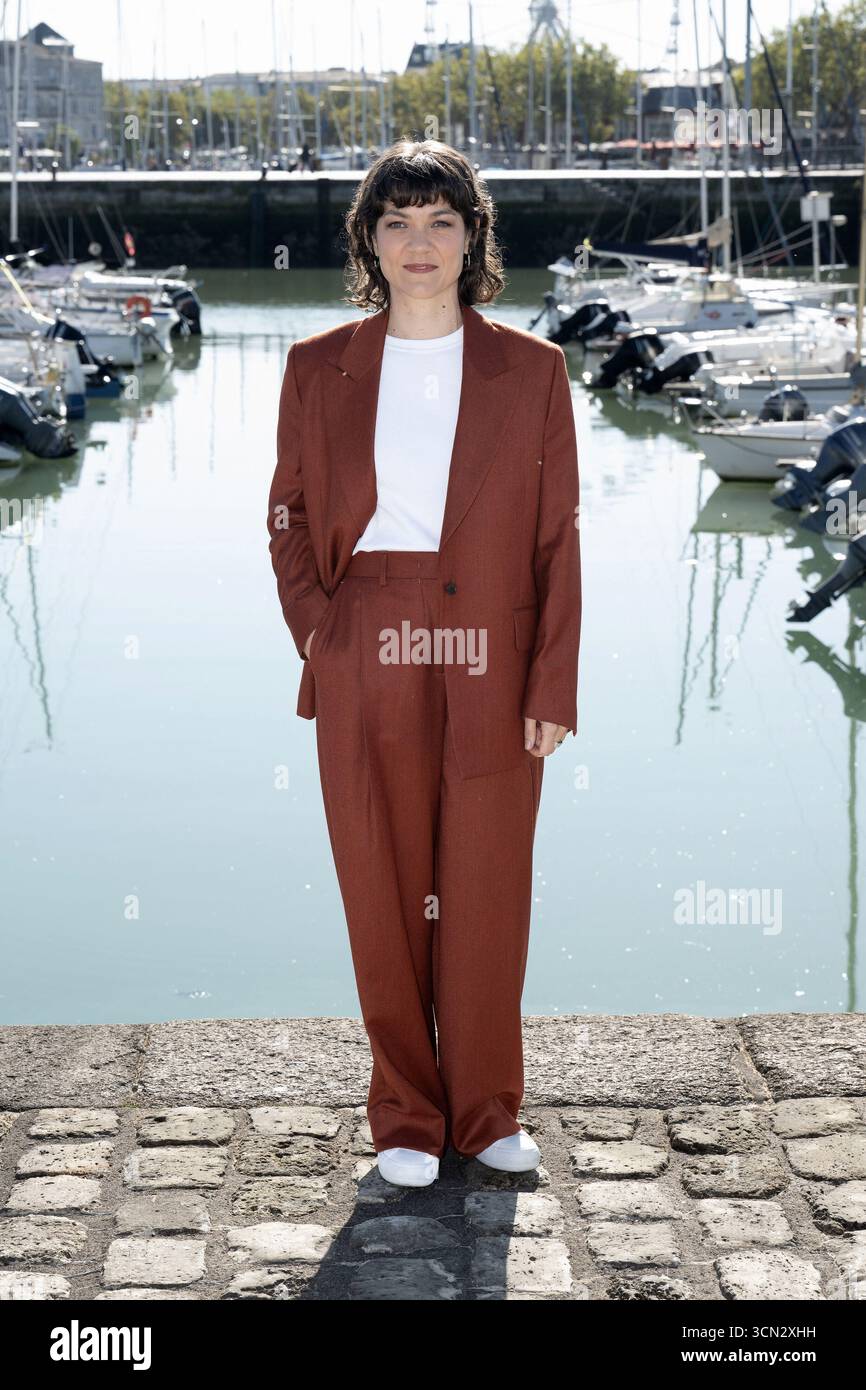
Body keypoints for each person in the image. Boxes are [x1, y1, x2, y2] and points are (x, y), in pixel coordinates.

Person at [266, 138, 581, 1188]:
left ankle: (485, 1109)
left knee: (485, 885)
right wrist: (318, 629)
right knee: (383, 883)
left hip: (492, 644)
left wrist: (550, 683)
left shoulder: (532, 371)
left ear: (471, 237)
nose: (417, 241)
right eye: (395, 220)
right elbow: (290, 514)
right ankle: (404, 1114)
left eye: (439, 220)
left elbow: (557, 538)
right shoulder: (317, 367)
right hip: (369, 641)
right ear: (367, 238)